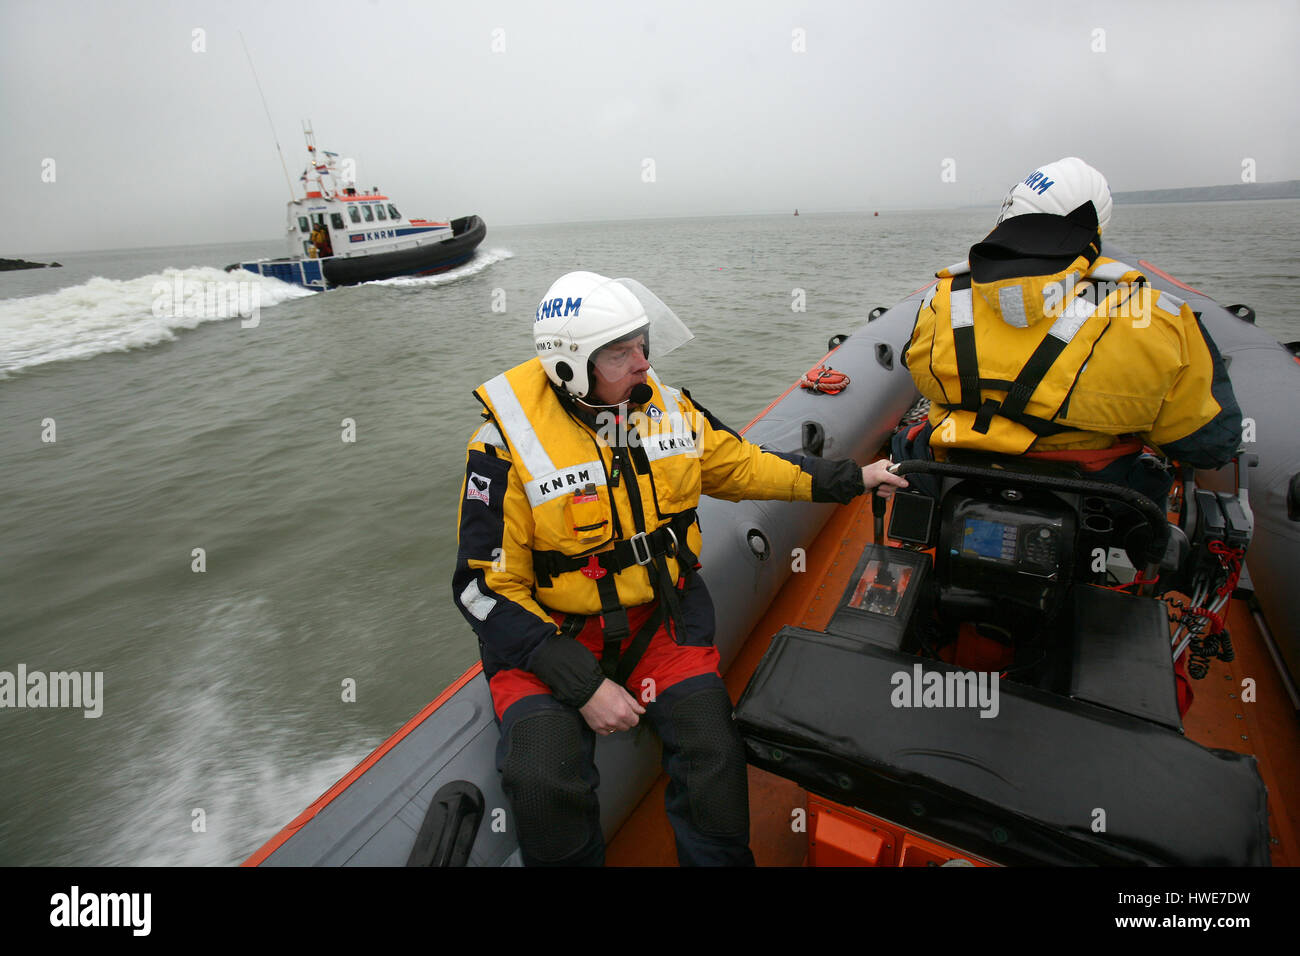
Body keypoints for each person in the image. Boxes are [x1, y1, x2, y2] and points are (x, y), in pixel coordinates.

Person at [452, 271, 907, 866]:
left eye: (642, 343)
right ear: (571, 368)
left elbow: (747, 467)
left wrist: (852, 476)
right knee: (542, 781)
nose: (643, 363)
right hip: (550, 637)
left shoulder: (665, 410)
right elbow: (478, 586)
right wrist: (582, 683)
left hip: (657, 622)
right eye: (620, 353)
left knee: (714, 750)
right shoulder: (503, 446)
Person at [899, 157, 1241, 500]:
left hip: (951, 479)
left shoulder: (944, 295)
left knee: (905, 442)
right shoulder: (1154, 315)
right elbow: (1207, 446)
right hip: (1096, 497)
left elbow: (915, 365)